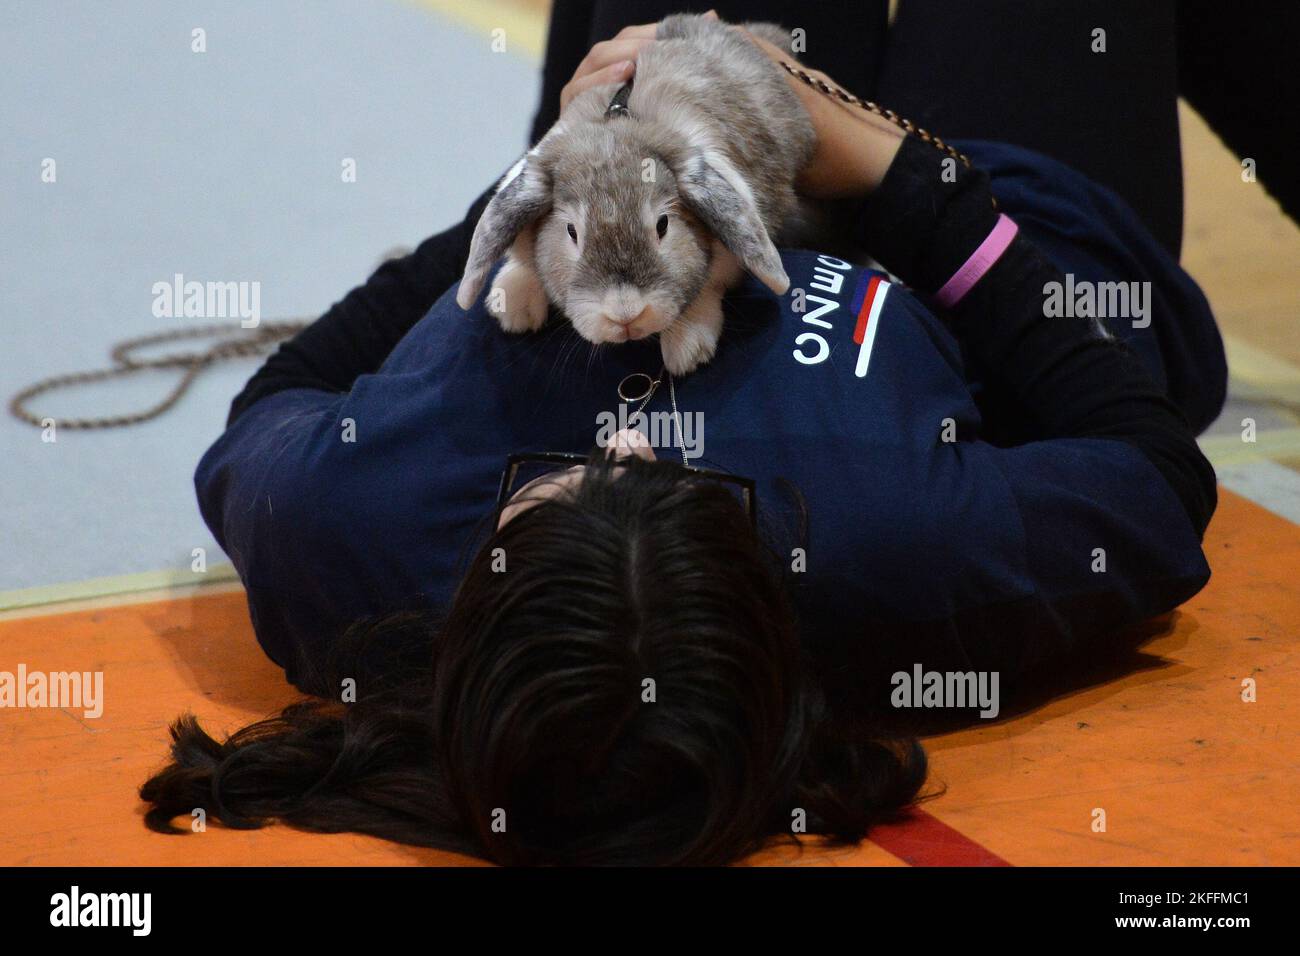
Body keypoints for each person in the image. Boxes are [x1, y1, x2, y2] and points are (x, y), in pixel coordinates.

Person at [140, 3, 1225, 866]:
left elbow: (287, 385)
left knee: (648, 50)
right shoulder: (896, 539)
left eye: (556, 475)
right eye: (686, 482)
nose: (625, 434)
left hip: (667, 179)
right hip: (1006, 212)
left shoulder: (340, 528)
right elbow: (1153, 466)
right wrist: (906, 176)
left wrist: (557, 179)